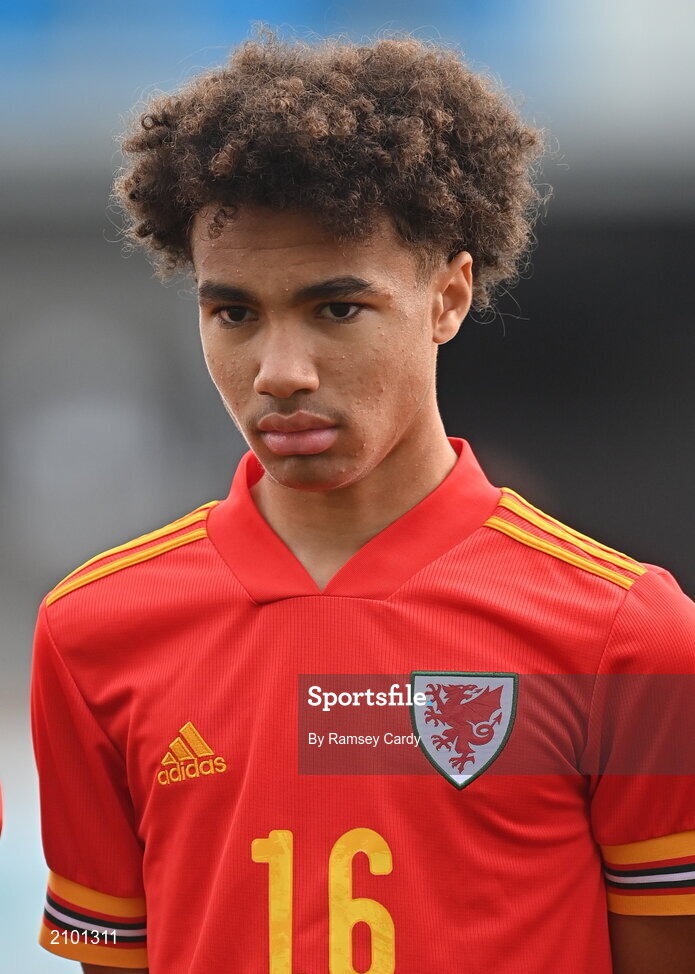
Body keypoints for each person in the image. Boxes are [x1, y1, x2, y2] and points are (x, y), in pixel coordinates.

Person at [30, 26, 695, 974]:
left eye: (336, 308)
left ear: (449, 298)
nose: (280, 372)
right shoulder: (92, 630)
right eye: (234, 314)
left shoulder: (631, 636)